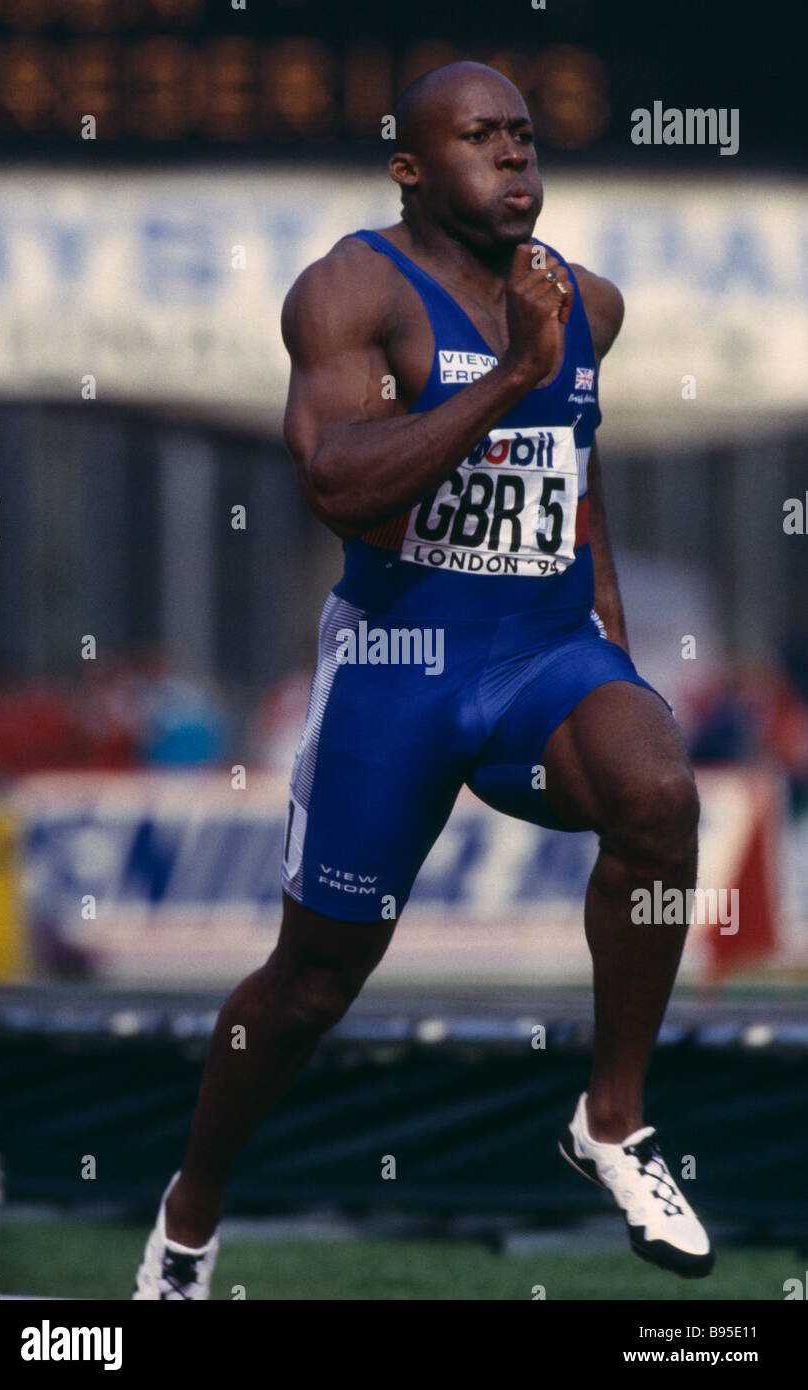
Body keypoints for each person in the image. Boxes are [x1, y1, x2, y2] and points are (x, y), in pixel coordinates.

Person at [133, 60, 711, 1299]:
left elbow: (572, 465)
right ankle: (189, 1216)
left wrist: (604, 624)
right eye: (479, 139)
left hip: (541, 655)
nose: (516, 159)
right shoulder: (348, 292)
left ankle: (612, 1121)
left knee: (659, 796)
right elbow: (338, 482)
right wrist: (509, 372)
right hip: (399, 668)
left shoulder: (586, 303)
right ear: (410, 169)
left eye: (523, 136)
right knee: (309, 989)